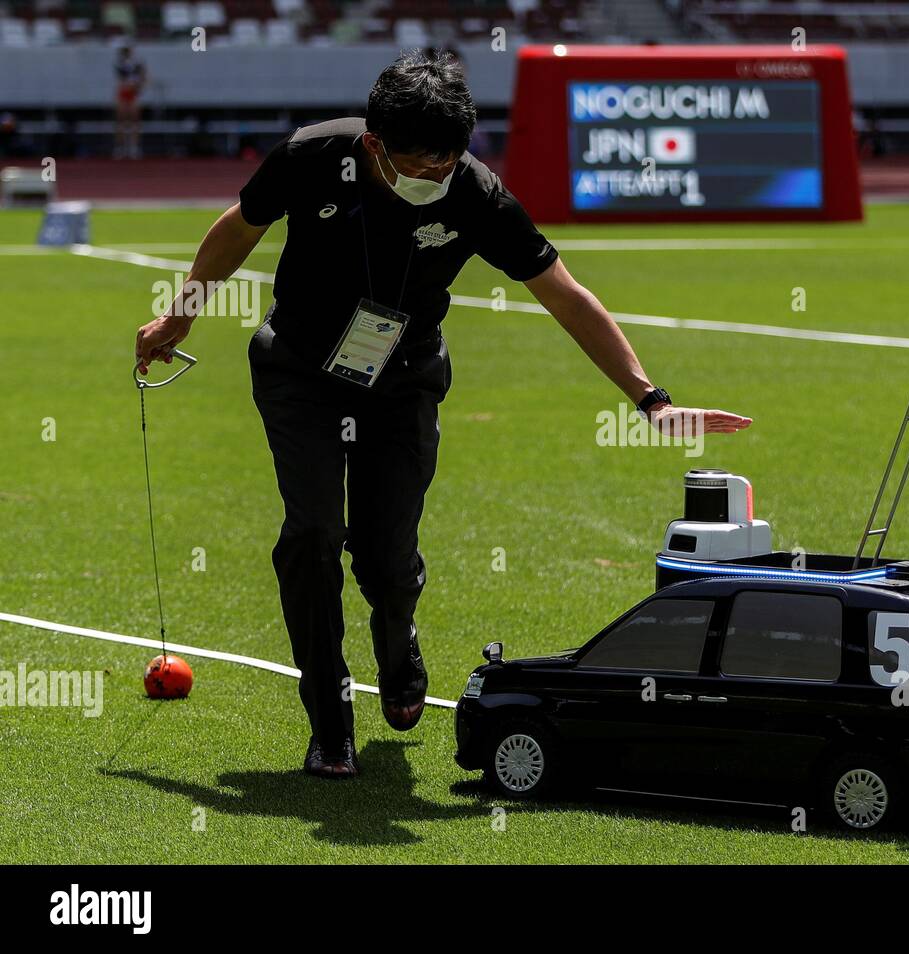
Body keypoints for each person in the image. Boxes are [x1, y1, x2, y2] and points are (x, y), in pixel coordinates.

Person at [134, 51, 751, 779]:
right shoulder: (310, 156)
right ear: (373, 146)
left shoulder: (477, 197)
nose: (437, 178)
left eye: (449, 162)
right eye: (421, 166)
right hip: (299, 373)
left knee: (387, 558)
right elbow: (239, 226)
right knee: (312, 535)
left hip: (403, 381)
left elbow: (564, 294)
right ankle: (329, 719)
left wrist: (651, 400)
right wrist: (182, 314)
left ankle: (399, 646)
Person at [113, 45, 147, 160]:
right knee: (121, 121)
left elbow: (143, 76)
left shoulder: (137, 63)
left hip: (133, 93)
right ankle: (120, 147)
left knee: (135, 121)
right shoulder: (120, 63)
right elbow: (122, 78)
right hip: (123, 92)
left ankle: (134, 147)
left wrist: (139, 86)